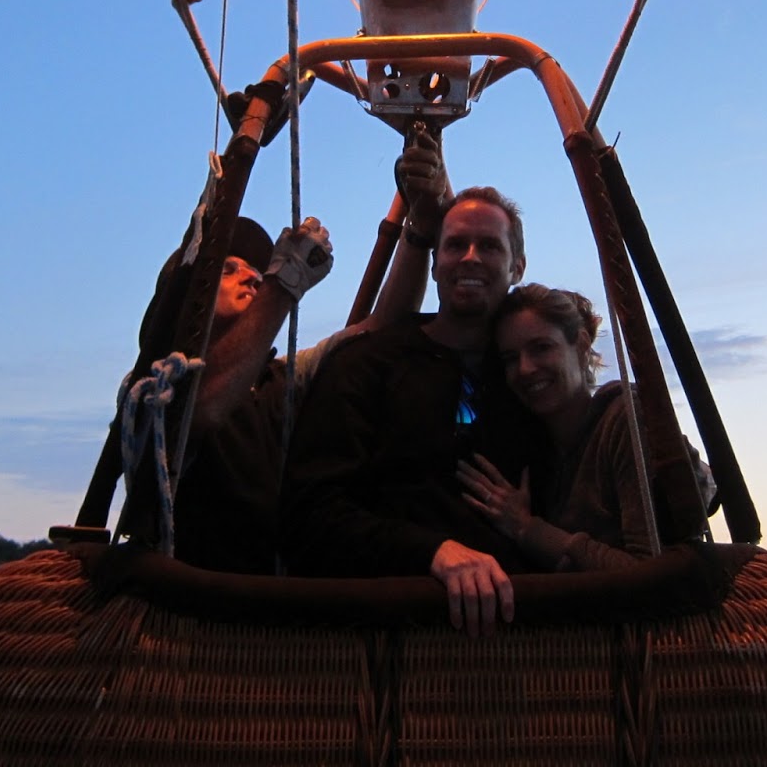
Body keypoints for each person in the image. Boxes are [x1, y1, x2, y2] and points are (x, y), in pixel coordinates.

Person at [169, 137, 448, 574]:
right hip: (200, 615)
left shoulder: (282, 380)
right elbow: (201, 411)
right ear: (190, 295)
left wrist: (420, 231)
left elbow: (381, 328)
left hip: (286, 607)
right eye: (228, 268)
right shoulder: (158, 386)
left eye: (256, 270)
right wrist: (284, 284)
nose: (251, 276)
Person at [280, 184, 548, 637]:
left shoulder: (528, 380)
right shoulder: (366, 365)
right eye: (455, 245)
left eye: (488, 245)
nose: (469, 258)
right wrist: (433, 552)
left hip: (517, 638)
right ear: (435, 262)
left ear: (516, 267)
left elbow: (586, 445)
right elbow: (309, 513)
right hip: (385, 632)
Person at [457, 285, 716, 572]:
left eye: (541, 348)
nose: (526, 368)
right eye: (511, 358)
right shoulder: (535, 450)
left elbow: (646, 575)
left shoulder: (624, 422)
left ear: (580, 344)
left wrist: (528, 529)